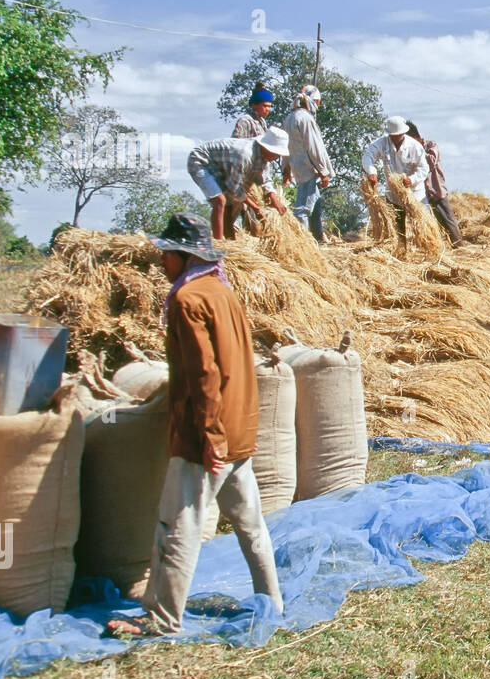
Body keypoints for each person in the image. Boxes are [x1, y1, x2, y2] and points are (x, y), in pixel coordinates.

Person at [107, 212, 283, 636]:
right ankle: (272, 601)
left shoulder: (188, 301)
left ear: (185, 257)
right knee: (251, 524)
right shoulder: (223, 292)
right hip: (238, 431)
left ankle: (162, 618)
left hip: (207, 437)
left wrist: (209, 440)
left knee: (177, 527)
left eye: (167, 253)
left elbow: (204, 377)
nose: (162, 262)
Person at [186, 129, 290, 240]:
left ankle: (230, 240)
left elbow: (265, 179)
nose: (278, 157)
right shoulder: (244, 155)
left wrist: (274, 199)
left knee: (231, 204)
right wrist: (256, 208)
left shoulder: (263, 157)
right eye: (277, 153)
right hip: (201, 160)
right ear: (268, 148)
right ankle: (218, 245)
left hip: (221, 167)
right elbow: (233, 188)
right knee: (220, 201)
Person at [363, 116, 431, 250]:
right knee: (397, 224)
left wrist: (412, 179)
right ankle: (401, 250)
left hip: (414, 194)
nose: (395, 138)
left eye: (398, 135)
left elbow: (424, 168)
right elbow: (368, 156)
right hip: (393, 194)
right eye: (393, 135)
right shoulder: (382, 143)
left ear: (403, 133)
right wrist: (371, 171)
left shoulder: (415, 146)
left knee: (421, 223)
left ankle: (426, 248)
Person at [282, 85, 332, 242]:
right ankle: (302, 243)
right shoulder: (305, 118)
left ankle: (318, 238)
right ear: (314, 101)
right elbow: (314, 147)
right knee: (303, 208)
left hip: (297, 166)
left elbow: (285, 147)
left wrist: (286, 169)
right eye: (317, 101)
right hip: (309, 167)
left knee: (315, 204)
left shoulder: (289, 118)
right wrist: (323, 171)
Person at [405, 122, 464, 246]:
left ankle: (458, 247)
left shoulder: (431, 145)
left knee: (449, 222)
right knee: (431, 225)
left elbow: (431, 161)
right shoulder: (409, 152)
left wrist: (416, 150)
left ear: (415, 137)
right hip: (422, 196)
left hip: (436, 191)